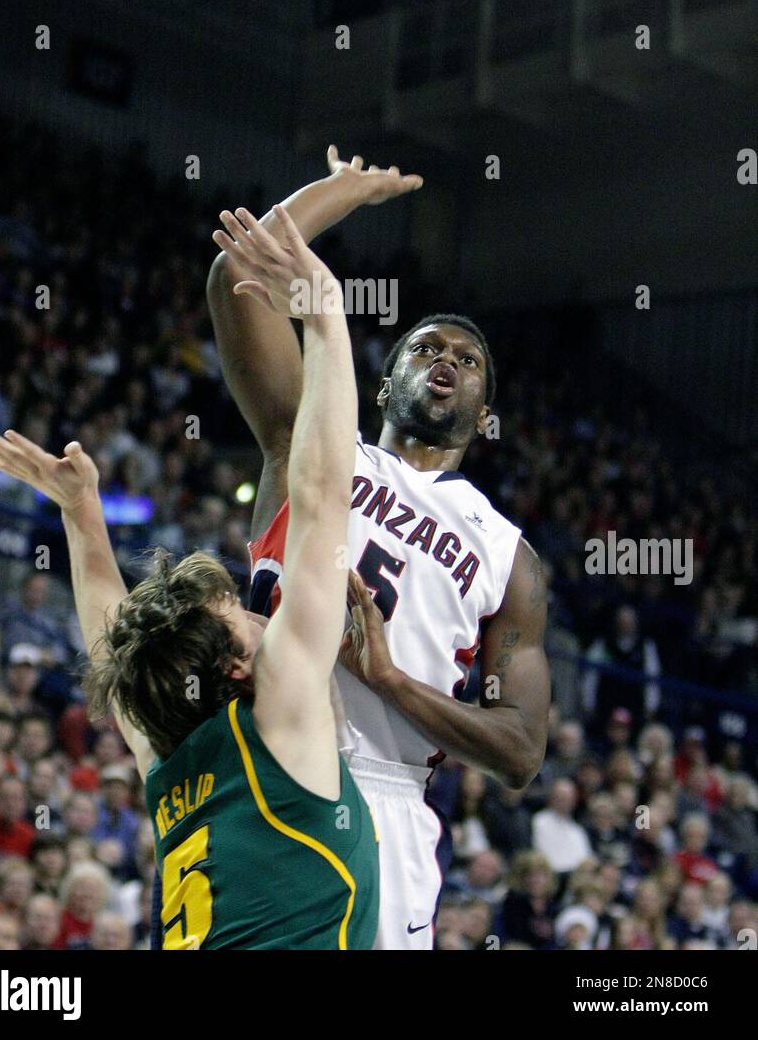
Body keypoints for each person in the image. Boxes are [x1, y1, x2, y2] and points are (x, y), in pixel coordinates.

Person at [0, 204, 379, 950]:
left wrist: (81, 514)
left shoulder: (174, 759)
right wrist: (324, 313)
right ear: (235, 664)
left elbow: (114, 649)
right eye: (241, 613)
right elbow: (320, 497)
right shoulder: (267, 714)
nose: (260, 614)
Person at [207, 146, 550, 949]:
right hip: (269, 749)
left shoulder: (510, 556)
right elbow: (239, 276)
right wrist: (343, 193)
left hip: (391, 793)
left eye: (467, 361)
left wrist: (392, 680)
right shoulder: (317, 445)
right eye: (427, 348)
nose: (447, 363)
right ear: (385, 375)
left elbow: (520, 750)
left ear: (483, 409)